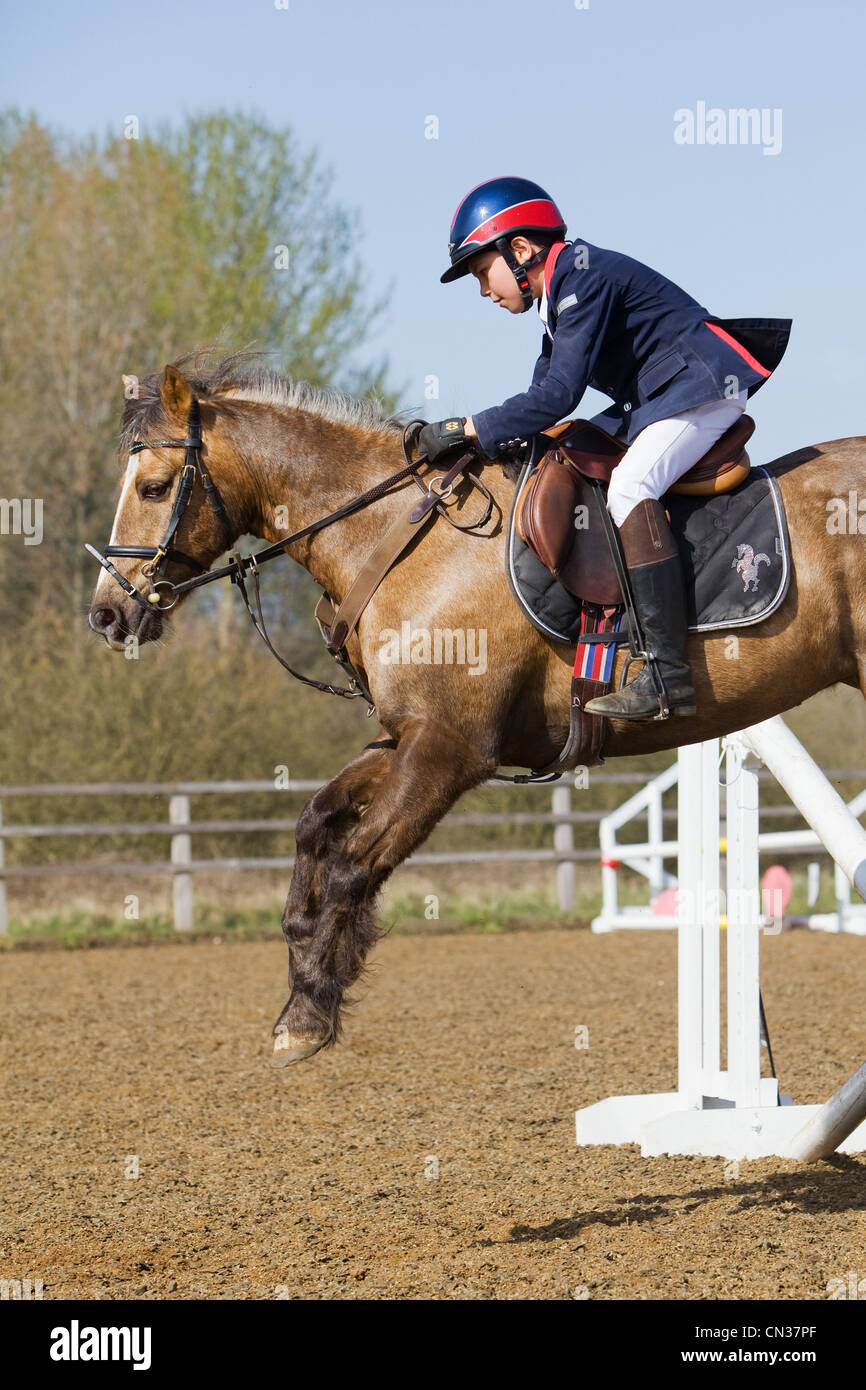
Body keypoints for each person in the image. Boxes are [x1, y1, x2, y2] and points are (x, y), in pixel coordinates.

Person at [419, 176, 790, 720]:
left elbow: (556, 395)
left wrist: (470, 427)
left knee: (630, 485)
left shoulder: (580, 282)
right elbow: (542, 400)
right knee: (570, 450)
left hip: (700, 386)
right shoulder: (561, 294)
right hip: (663, 396)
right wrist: (488, 441)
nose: (484, 291)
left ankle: (666, 676)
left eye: (482, 272)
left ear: (519, 250)